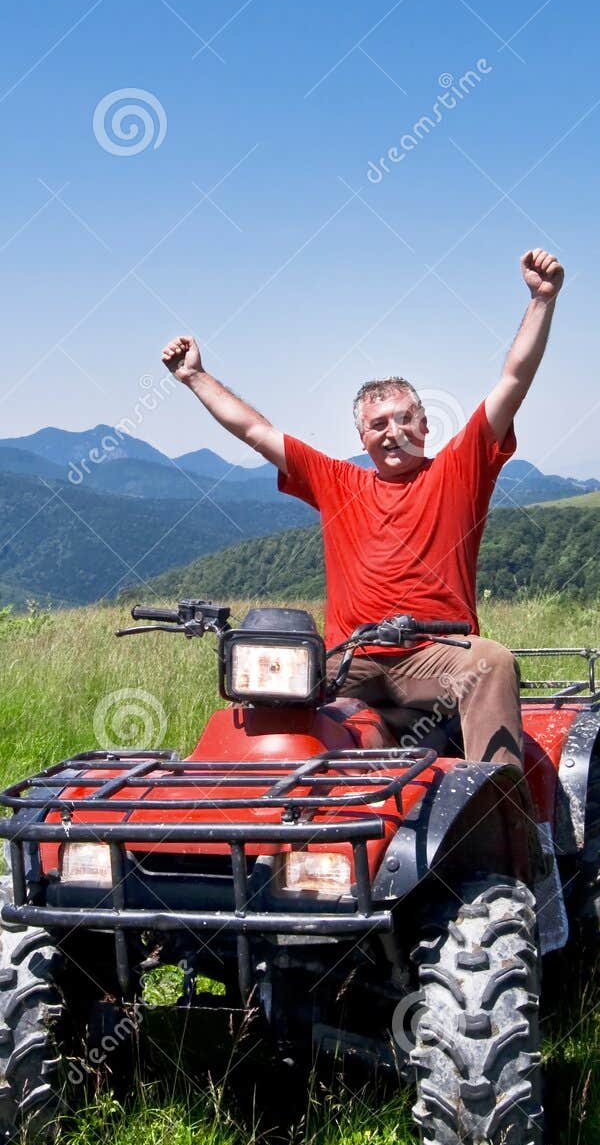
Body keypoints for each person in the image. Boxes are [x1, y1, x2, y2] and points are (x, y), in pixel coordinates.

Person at [160, 247, 564, 773]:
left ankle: (508, 819)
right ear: (362, 437)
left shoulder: (458, 470)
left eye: (403, 420)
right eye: (378, 425)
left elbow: (513, 382)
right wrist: (196, 376)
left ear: (425, 426)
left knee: (491, 662)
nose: (392, 433)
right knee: (267, 681)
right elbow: (256, 431)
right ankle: (269, 823)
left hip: (433, 654)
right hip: (351, 657)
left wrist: (541, 300)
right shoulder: (338, 481)